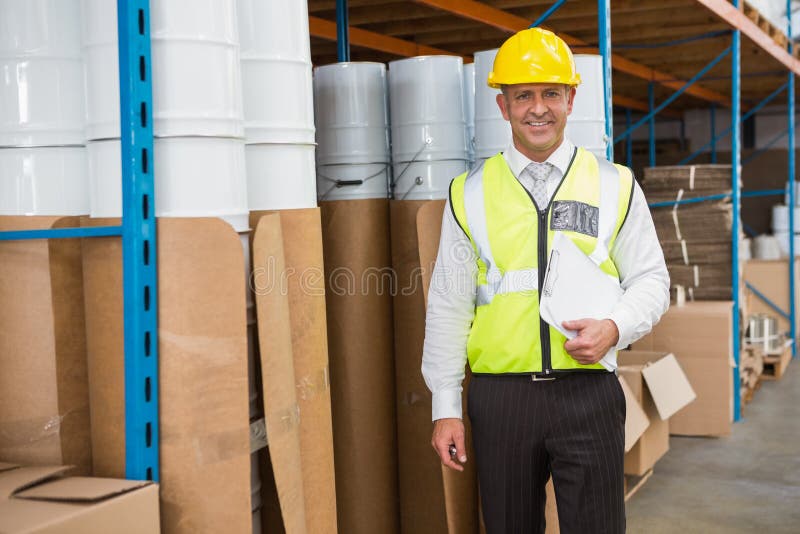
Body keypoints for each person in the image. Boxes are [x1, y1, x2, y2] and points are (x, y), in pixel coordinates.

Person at [421, 28, 670, 533]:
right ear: (502, 105)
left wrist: (615, 328)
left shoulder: (614, 184)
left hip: (589, 394)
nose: (538, 108)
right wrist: (445, 406)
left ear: (571, 99)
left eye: (551, 93)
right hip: (501, 398)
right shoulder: (468, 194)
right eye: (524, 95)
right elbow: (449, 305)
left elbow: (651, 280)